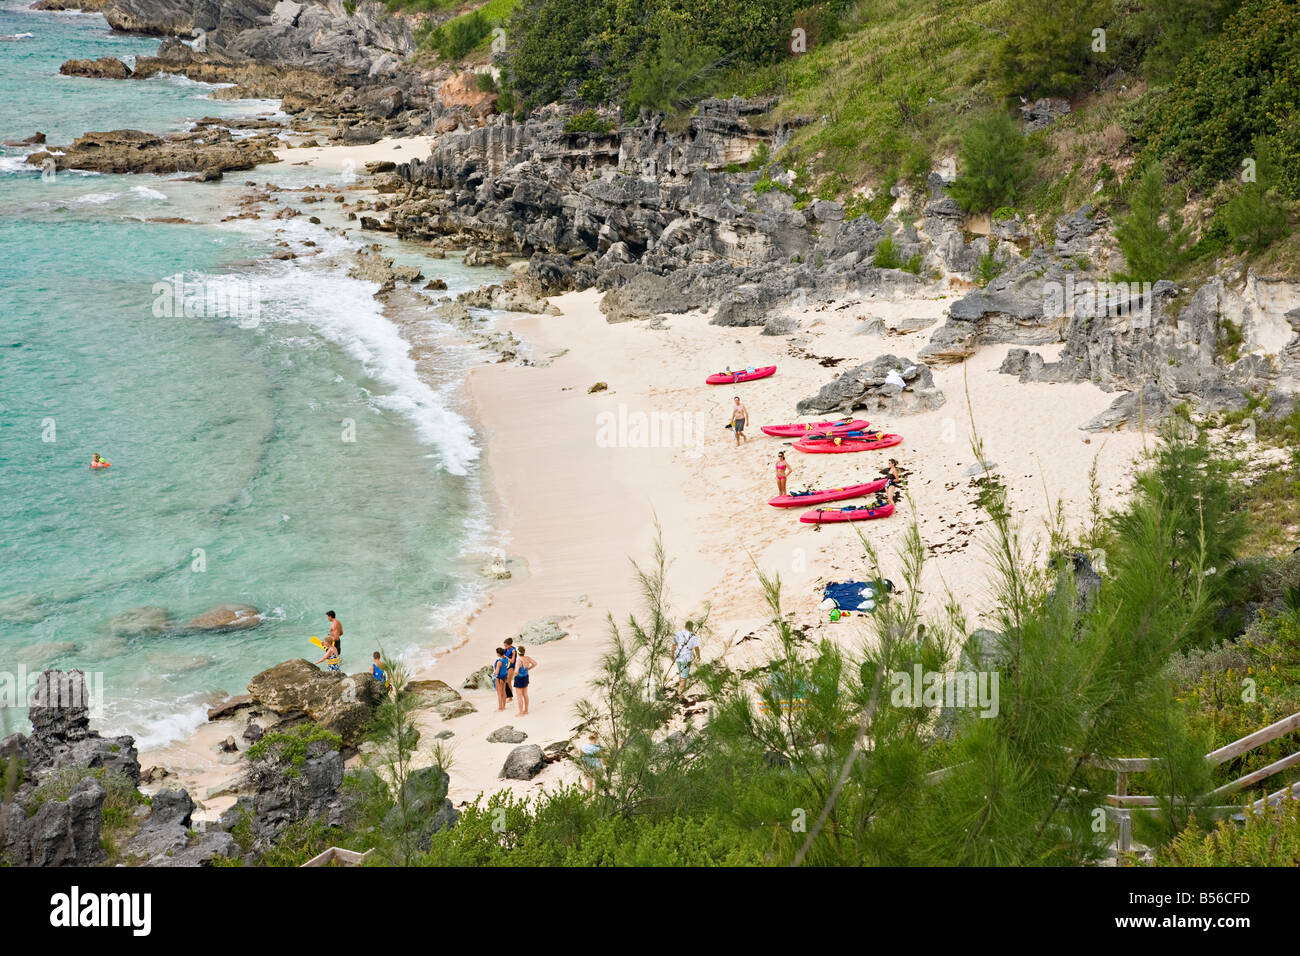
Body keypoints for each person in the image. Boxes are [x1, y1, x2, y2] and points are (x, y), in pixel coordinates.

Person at [672, 620, 701, 694]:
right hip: (686, 659)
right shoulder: (693, 636)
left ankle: (679, 689)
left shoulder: (678, 634)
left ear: (685, 626)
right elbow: (696, 648)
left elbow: (673, 645)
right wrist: (698, 656)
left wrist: (672, 655)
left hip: (678, 657)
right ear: (691, 627)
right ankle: (680, 694)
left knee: (680, 673)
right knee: (684, 676)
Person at [513, 646, 536, 716]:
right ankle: (526, 710)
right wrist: (528, 668)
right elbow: (535, 663)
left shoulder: (518, 661)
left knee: (519, 696)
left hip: (519, 678)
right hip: (526, 677)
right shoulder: (527, 658)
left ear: (517, 653)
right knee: (525, 694)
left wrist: (513, 674)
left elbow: (516, 671)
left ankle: (521, 712)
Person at [492, 647, 511, 711]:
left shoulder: (499, 662)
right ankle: (504, 706)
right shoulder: (506, 658)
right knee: (504, 691)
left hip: (499, 678)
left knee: (499, 693)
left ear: (498, 654)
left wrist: (493, 669)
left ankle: (500, 708)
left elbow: (496, 672)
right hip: (504, 677)